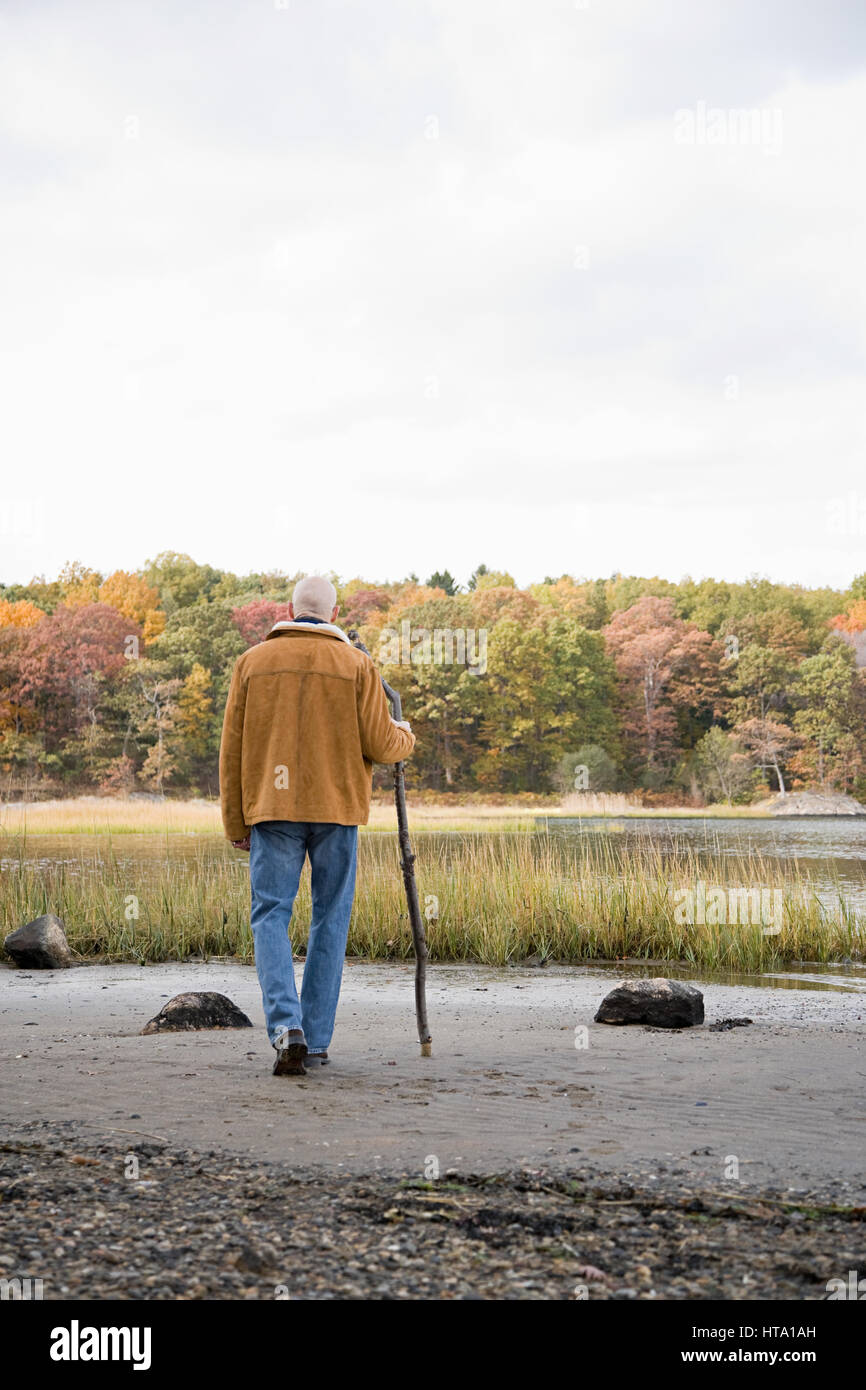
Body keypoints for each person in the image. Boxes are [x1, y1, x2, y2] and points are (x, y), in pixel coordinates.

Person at [219, 574, 415, 1075]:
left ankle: (286, 1028)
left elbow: (232, 752)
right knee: (330, 918)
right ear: (333, 612)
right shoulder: (355, 664)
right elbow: (381, 745)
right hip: (337, 810)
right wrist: (406, 735)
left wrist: (234, 821)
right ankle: (319, 1039)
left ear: (291, 608)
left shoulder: (252, 663)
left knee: (270, 916)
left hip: (271, 808)